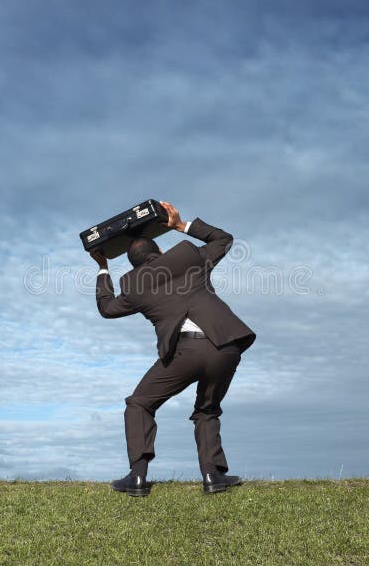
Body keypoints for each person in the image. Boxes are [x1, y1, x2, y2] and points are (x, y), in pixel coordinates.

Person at [90, 201, 256, 496]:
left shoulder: (133, 284)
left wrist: (103, 269)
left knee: (139, 404)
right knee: (207, 410)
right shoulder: (187, 256)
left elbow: (107, 308)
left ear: (133, 264)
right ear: (160, 252)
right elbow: (224, 239)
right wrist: (181, 225)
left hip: (186, 353)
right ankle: (213, 476)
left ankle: (138, 477)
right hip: (226, 346)